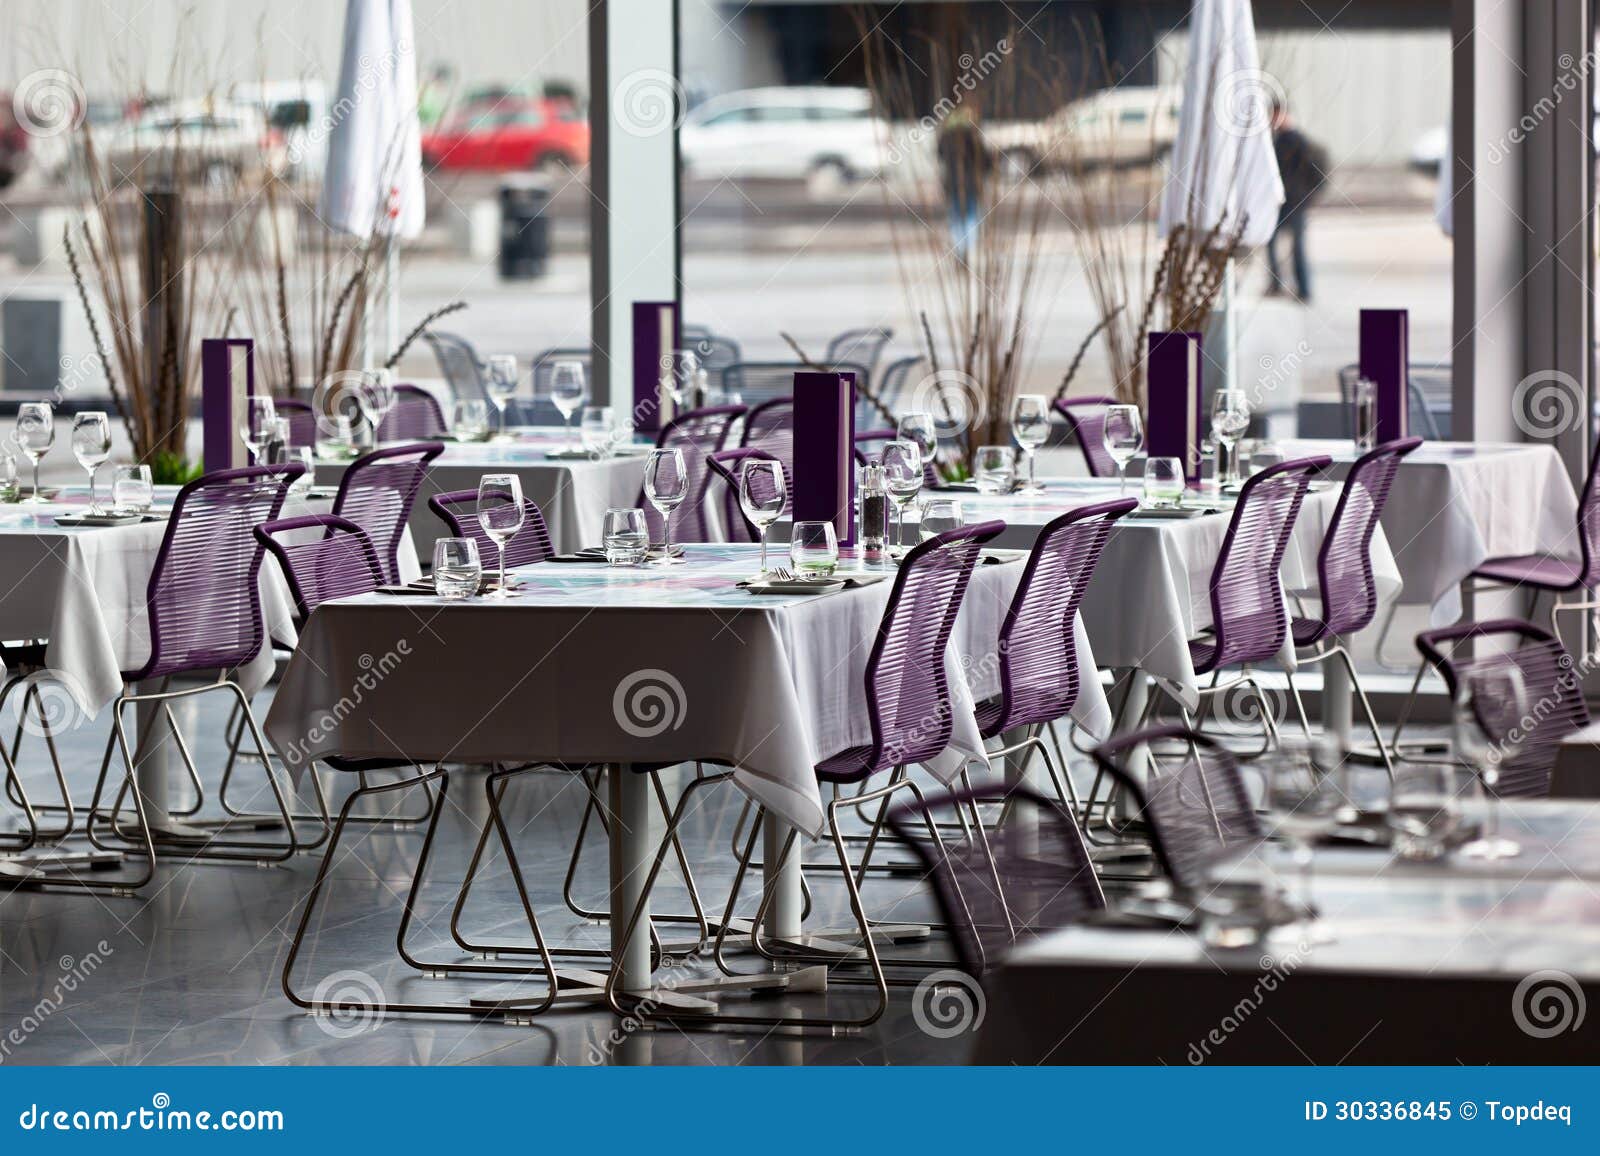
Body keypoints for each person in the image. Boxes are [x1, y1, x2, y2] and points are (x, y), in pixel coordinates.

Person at [1265, 99, 1328, 303]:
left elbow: (1317, 172)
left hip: (1296, 202)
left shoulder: (1298, 141)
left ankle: (1304, 289)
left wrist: (1308, 195)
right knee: (1271, 240)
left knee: (1297, 246)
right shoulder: (1277, 140)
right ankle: (1277, 284)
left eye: (1275, 115)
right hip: (1282, 202)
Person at [936, 104, 989, 261]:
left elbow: (940, 156)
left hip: (952, 184)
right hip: (972, 184)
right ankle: (966, 248)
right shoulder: (973, 138)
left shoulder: (945, 138)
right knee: (972, 216)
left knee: (956, 217)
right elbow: (985, 161)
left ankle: (959, 249)